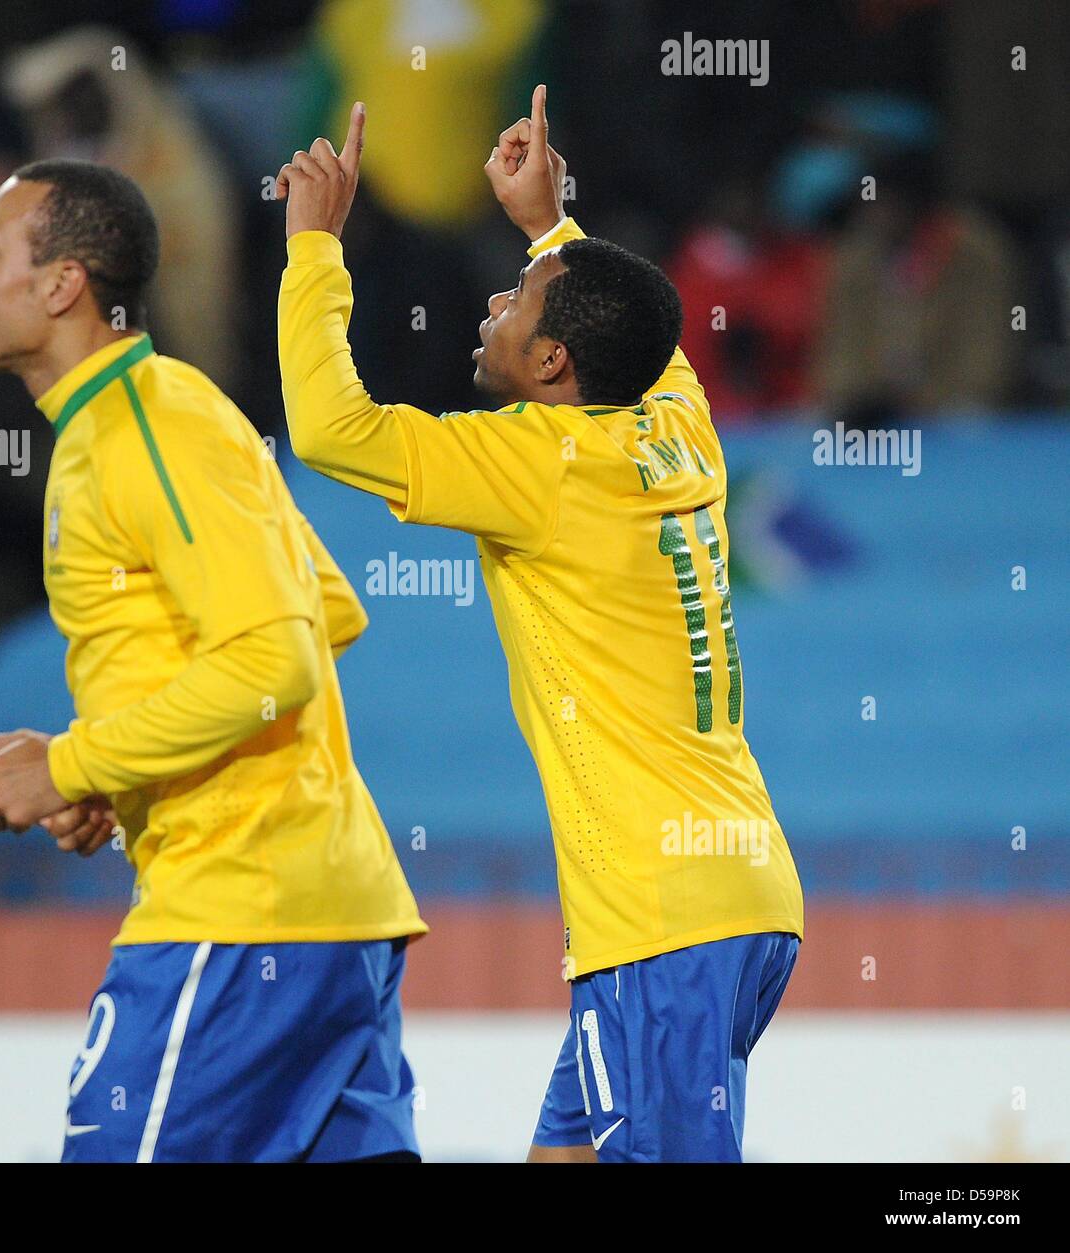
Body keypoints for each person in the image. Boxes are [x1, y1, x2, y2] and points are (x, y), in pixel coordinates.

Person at [276, 86, 804, 1163]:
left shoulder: (536, 463)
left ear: (553, 364)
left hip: (664, 920)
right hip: (724, 892)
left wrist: (314, 251)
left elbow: (330, 429)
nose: (495, 305)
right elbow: (633, 324)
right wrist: (547, 224)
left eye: (517, 298)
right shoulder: (677, 425)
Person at [0, 159, 426, 1162]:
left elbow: (277, 655)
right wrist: (124, 764)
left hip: (239, 916)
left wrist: (71, 765)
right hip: (323, 922)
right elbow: (326, 611)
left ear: (60, 284)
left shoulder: (143, 424)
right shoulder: (164, 411)